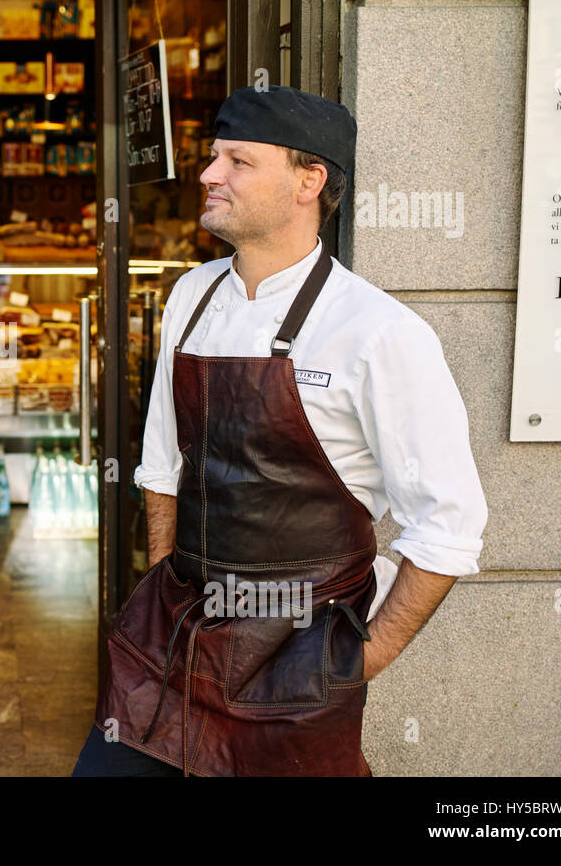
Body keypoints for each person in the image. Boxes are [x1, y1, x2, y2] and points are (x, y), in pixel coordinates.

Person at [73, 85, 488, 776]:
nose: (209, 174)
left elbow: (449, 528)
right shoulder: (192, 295)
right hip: (172, 640)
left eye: (237, 161)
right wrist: (165, 580)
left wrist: (356, 661)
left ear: (308, 181)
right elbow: (162, 466)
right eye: (214, 156)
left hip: (297, 664)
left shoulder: (380, 332)